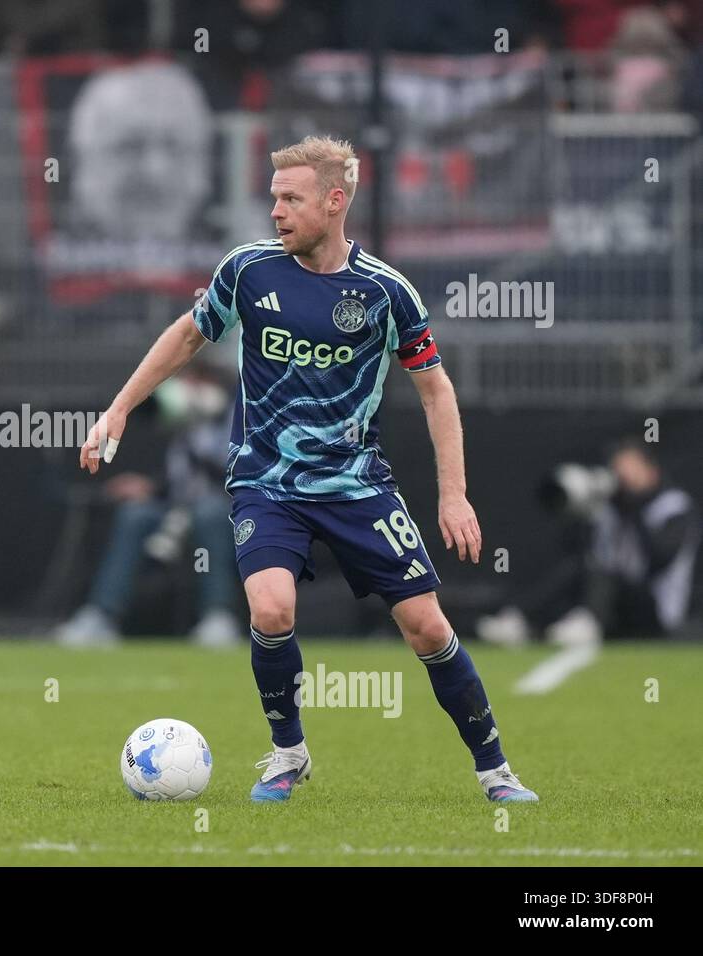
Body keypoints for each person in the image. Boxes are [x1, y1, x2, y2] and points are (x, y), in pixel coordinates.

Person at [79, 135, 539, 804]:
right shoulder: (248, 271)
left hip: (358, 486)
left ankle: (496, 771)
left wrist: (454, 495)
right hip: (266, 483)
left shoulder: (386, 292)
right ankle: (288, 755)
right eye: (273, 198)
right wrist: (119, 409)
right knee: (270, 608)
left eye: (290, 199)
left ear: (334, 201)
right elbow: (187, 334)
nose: (276, 212)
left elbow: (435, 390)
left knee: (428, 628)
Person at [56, 364, 243, 647]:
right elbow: (177, 478)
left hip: (225, 509)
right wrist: (150, 487)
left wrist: (198, 439)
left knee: (209, 514)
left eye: (195, 380)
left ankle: (218, 617)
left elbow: (231, 474)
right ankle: (101, 616)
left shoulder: (237, 416)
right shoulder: (184, 423)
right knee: (135, 515)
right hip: (177, 508)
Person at [479, 441, 699, 646]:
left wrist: (634, 509)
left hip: (656, 609)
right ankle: (521, 619)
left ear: (651, 472)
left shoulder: (674, 507)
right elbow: (579, 553)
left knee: (604, 573)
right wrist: (587, 512)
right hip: (614, 604)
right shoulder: (611, 508)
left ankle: (590, 621)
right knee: (578, 569)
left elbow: (658, 560)